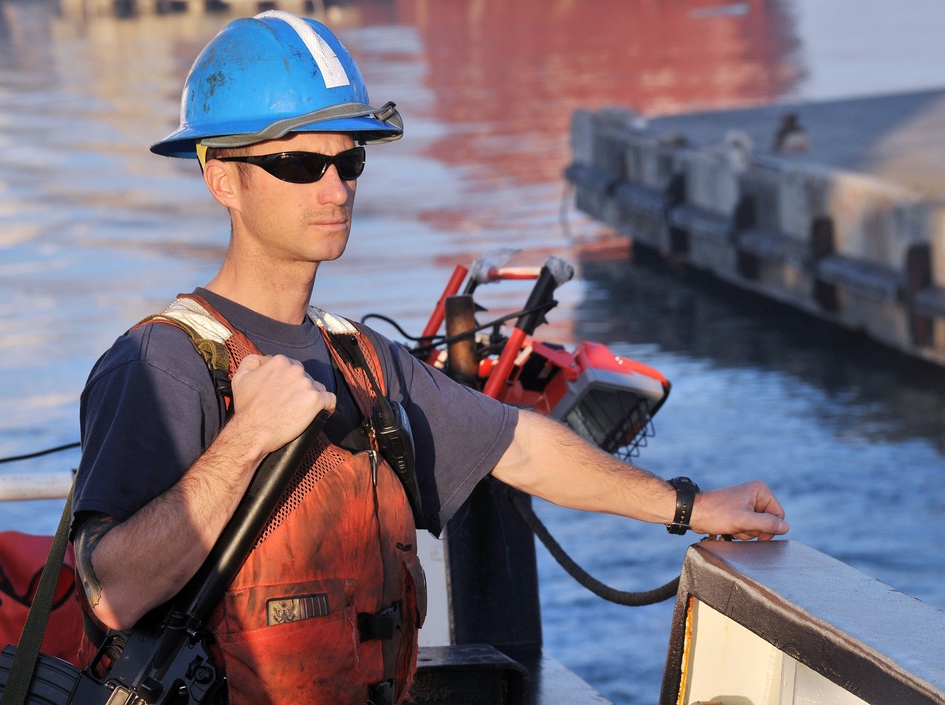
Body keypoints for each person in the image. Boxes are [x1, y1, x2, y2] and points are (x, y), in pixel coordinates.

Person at [70, 10, 788, 705]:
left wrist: (690, 505)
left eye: (349, 160)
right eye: (299, 163)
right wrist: (247, 438)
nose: (336, 189)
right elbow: (112, 593)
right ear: (223, 179)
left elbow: (519, 446)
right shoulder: (161, 362)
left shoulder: (359, 358)